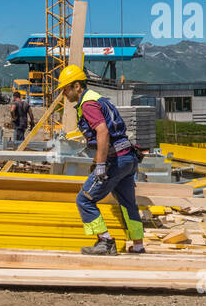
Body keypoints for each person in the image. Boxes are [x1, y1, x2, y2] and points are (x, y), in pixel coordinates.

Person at [57, 65, 146, 256]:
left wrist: (100, 165)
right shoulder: (98, 99)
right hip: (128, 158)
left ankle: (105, 241)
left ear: (77, 86)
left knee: (84, 199)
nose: (64, 94)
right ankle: (138, 245)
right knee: (128, 203)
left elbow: (103, 131)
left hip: (116, 159)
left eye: (65, 89)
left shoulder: (87, 104)